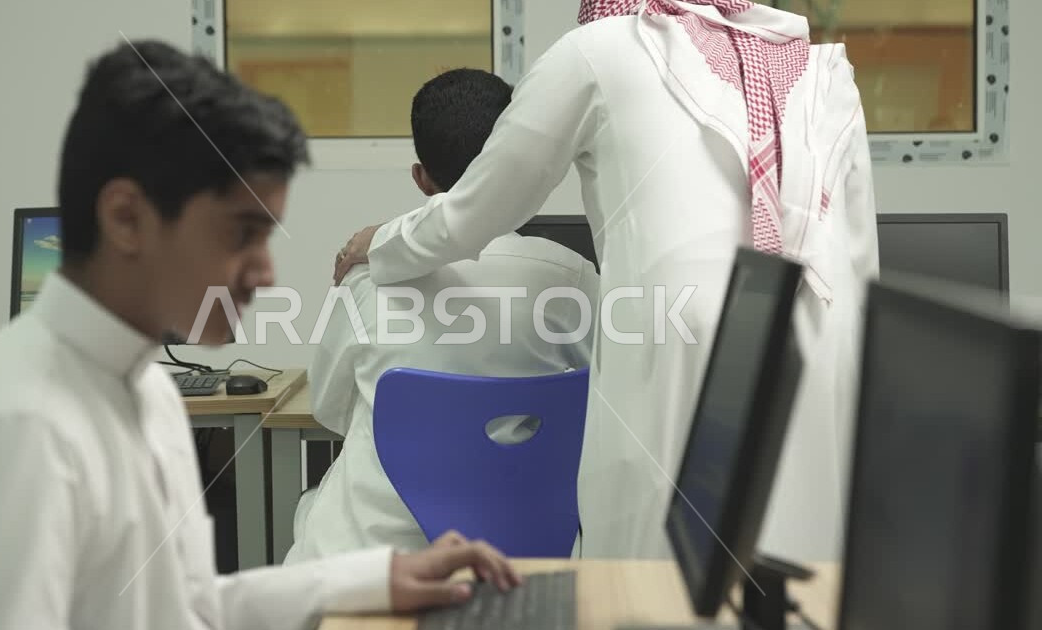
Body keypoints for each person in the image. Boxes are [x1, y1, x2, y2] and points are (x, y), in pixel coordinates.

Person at [0, 40, 520, 630]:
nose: (266, 272)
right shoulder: (14, 428)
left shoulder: (145, 393)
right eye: (239, 232)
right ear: (127, 218)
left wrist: (376, 577)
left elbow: (185, 604)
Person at [332, 0, 880, 563]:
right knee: (805, 573)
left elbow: (471, 212)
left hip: (675, 348)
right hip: (823, 343)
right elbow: (861, 261)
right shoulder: (818, 71)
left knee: (653, 580)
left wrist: (378, 243)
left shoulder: (597, 51)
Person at [284, 69, 599, 564]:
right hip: (528, 552)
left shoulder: (367, 282)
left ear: (420, 177)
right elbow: (598, 401)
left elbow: (329, 411)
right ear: (514, 167)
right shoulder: (571, 278)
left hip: (377, 564)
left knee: (313, 504)